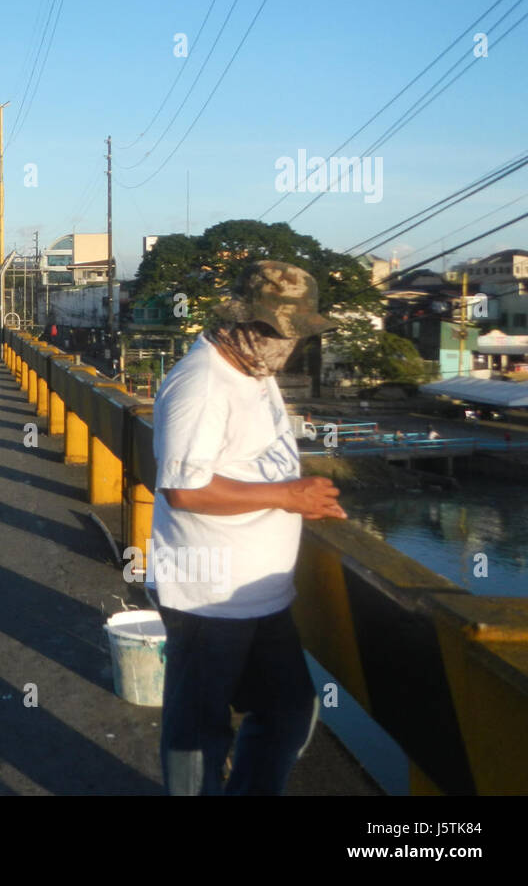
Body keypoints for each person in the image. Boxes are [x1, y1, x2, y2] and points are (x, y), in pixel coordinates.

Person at [151, 261, 346, 796]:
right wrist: (287, 495)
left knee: (289, 713)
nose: (285, 345)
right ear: (239, 319)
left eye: (294, 334)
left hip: (260, 591)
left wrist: (301, 494)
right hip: (208, 596)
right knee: (198, 734)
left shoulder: (252, 372)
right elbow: (183, 490)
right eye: (276, 332)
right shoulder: (202, 383)